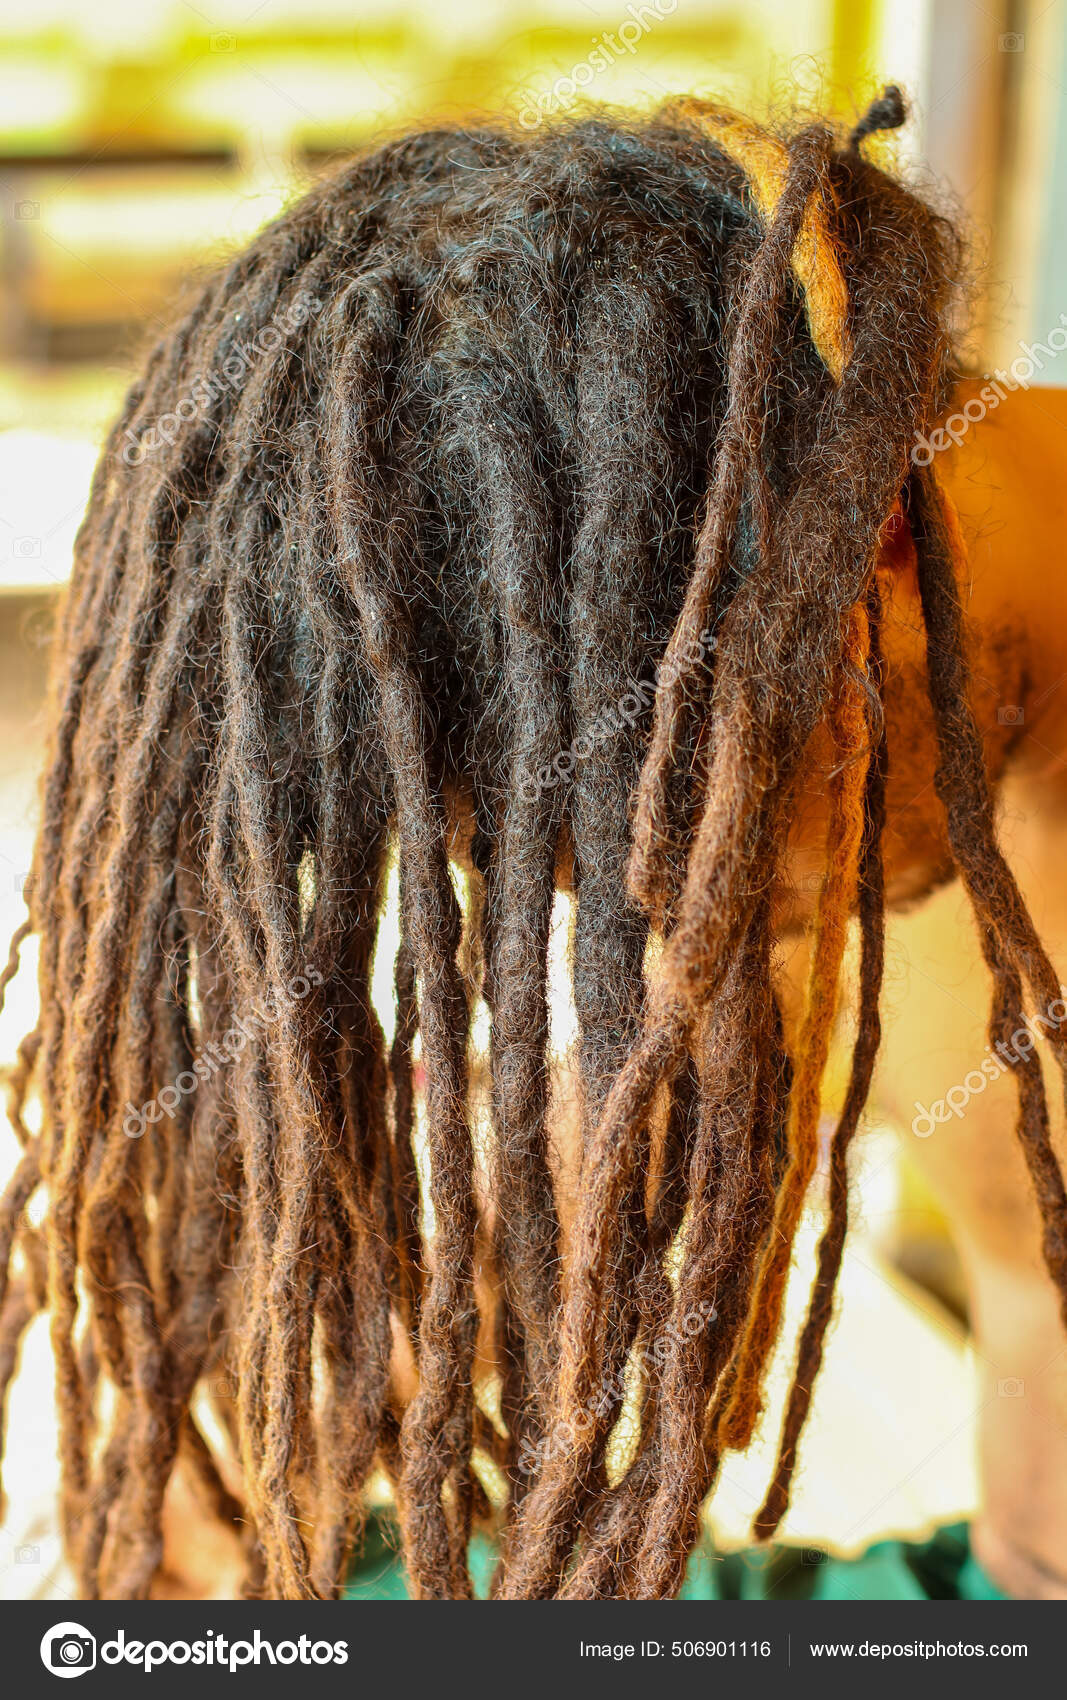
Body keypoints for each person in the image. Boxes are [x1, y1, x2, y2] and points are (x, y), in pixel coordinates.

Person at [1, 86, 1065, 1601]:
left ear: (866, 528)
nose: (634, 917)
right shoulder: (875, 780)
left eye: (661, 845)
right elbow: (618, 1125)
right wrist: (248, 1396)